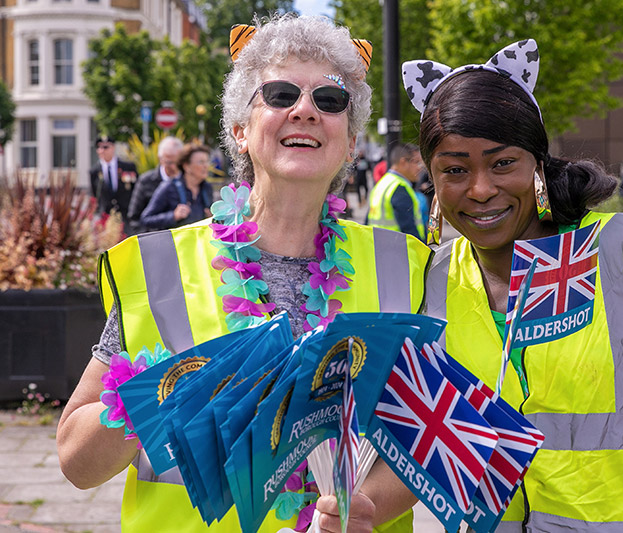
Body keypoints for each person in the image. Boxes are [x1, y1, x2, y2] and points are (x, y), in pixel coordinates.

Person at [57, 14, 427, 533]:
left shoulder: (405, 268)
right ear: (240, 130)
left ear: (350, 142)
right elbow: (75, 461)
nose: (304, 110)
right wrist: (157, 399)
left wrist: (358, 508)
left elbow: (424, 438)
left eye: (330, 99)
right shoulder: (158, 267)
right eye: (278, 94)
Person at [404, 40, 623, 531]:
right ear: (432, 178)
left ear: (537, 163)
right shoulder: (432, 283)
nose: (481, 188)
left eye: (502, 163)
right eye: (455, 169)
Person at [139, 144, 214, 230]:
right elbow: (145, 219)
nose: (206, 166)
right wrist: (173, 216)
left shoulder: (206, 188)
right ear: (186, 166)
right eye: (201, 162)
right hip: (173, 243)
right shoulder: (168, 187)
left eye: (207, 161)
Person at [366, 143, 425, 241]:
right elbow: (408, 228)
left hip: (380, 246)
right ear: (403, 162)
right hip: (399, 250)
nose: (420, 168)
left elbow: (367, 219)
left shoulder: (384, 182)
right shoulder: (399, 187)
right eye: (417, 162)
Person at [127, 136, 184, 232]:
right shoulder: (146, 181)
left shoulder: (188, 180)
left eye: (177, 163)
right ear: (160, 159)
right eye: (169, 162)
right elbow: (134, 218)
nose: (174, 167)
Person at [89, 134, 139, 230]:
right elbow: (95, 195)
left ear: (113, 148)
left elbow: (136, 190)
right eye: (98, 147)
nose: (101, 150)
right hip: (106, 217)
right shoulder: (94, 171)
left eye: (105, 147)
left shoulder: (127, 167)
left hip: (126, 214)